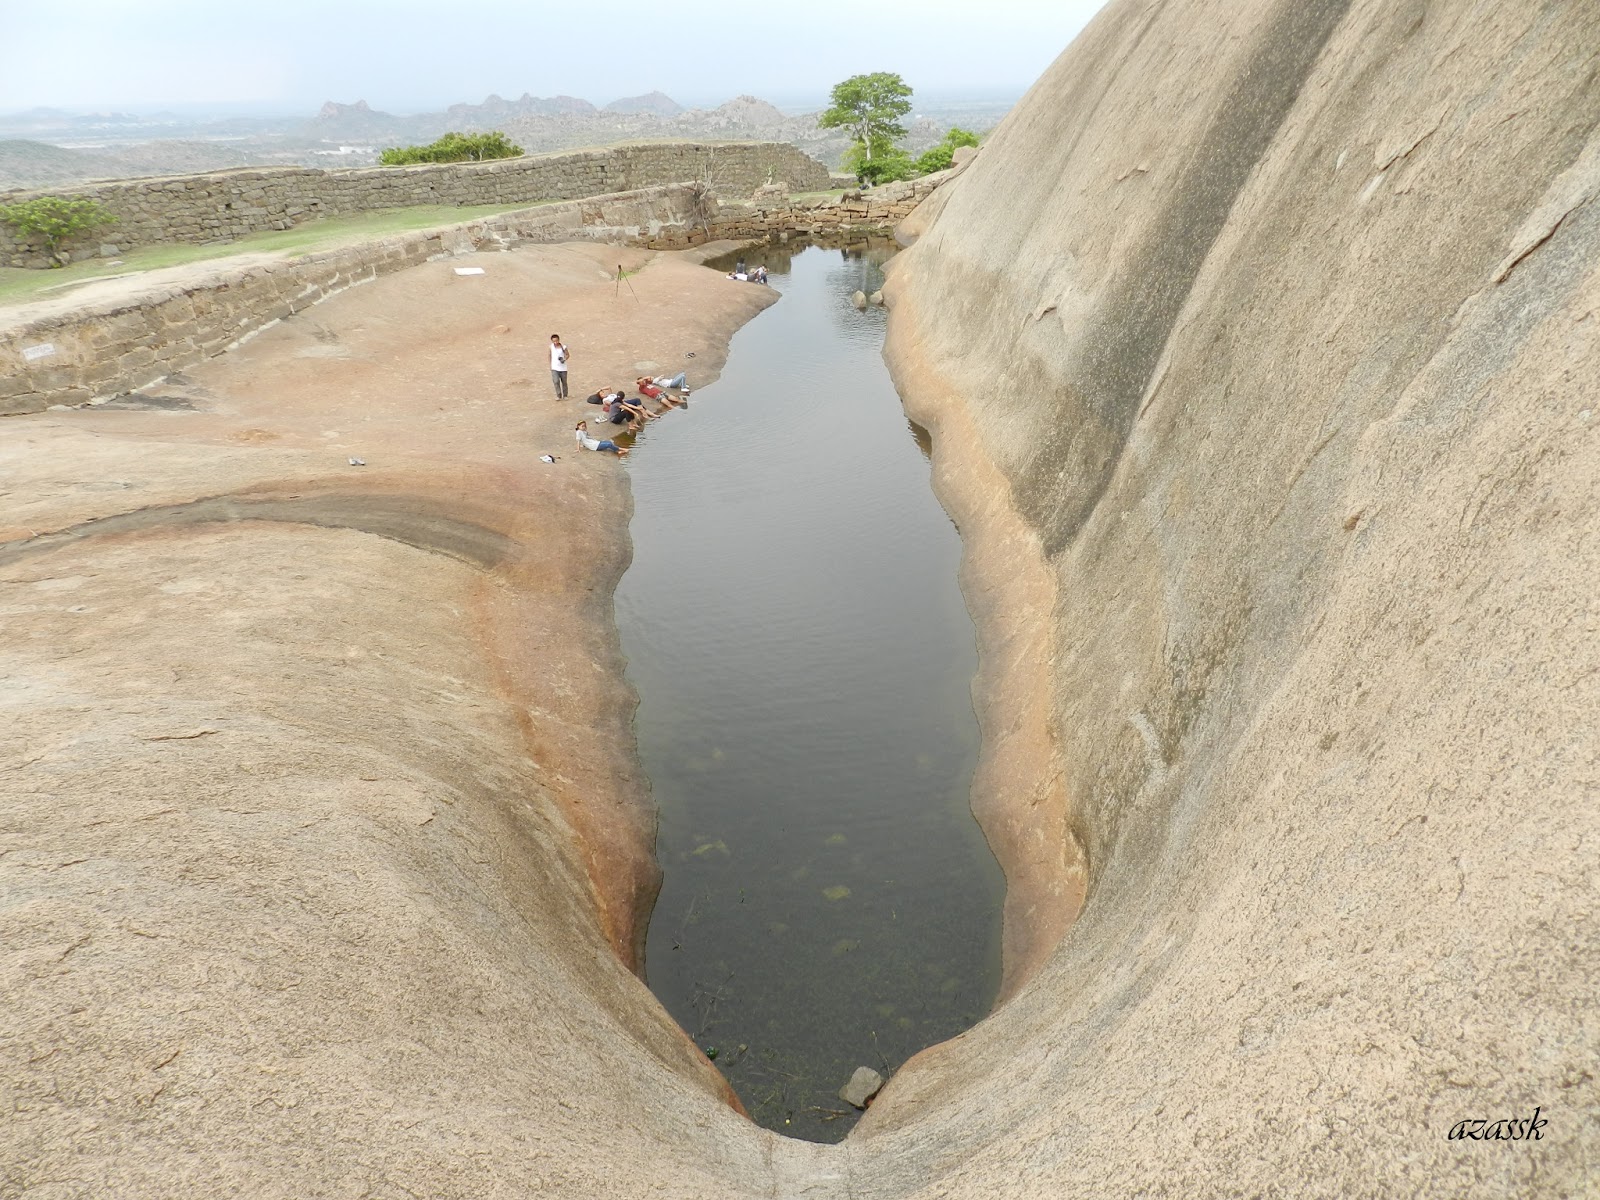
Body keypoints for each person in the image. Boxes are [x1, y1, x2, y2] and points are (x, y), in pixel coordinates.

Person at [549, 333, 570, 399]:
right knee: (556, 381)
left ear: (559, 340)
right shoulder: (551, 347)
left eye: (556, 341)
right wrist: (550, 365)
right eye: (554, 341)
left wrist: (564, 359)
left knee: (564, 382)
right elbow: (549, 355)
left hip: (563, 368)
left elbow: (567, 354)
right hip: (554, 367)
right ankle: (558, 395)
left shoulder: (563, 347)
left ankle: (565, 395)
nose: (555, 342)